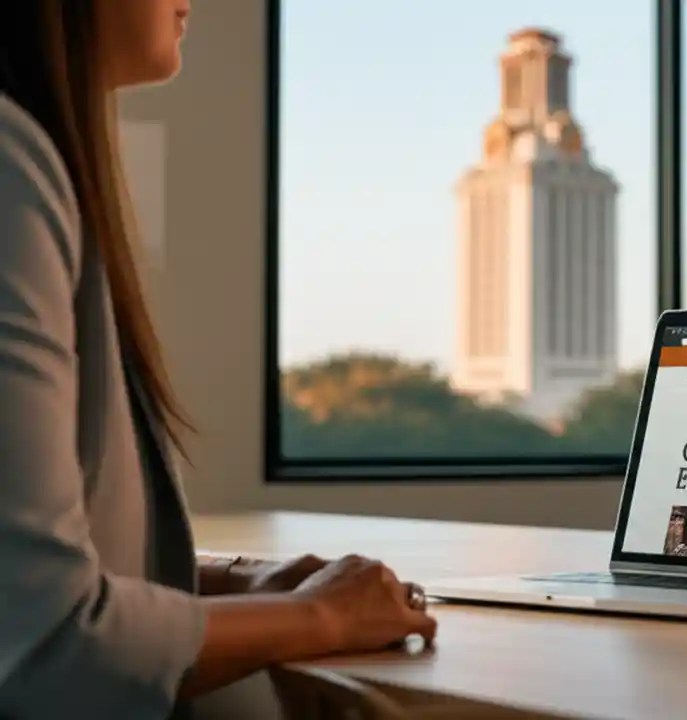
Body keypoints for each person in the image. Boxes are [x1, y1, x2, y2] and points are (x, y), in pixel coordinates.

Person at [0, 2, 436, 717]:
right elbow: (44, 646)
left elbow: (36, 575)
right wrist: (323, 617)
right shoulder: (11, 168)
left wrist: (244, 582)